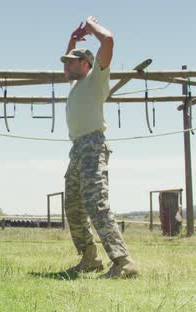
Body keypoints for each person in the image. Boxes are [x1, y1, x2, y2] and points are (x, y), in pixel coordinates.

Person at [61, 16, 137, 278]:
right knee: (72, 204)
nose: (65, 65)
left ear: (85, 63)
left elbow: (109, 40)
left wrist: (90, 27)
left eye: (70, 61)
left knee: (97, 203)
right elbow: (67, 60)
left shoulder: (96, 79)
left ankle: (123, 262)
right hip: (77, 150)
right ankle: (90, 258)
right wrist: (73, 38)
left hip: (93, 146)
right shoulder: (75, 83)